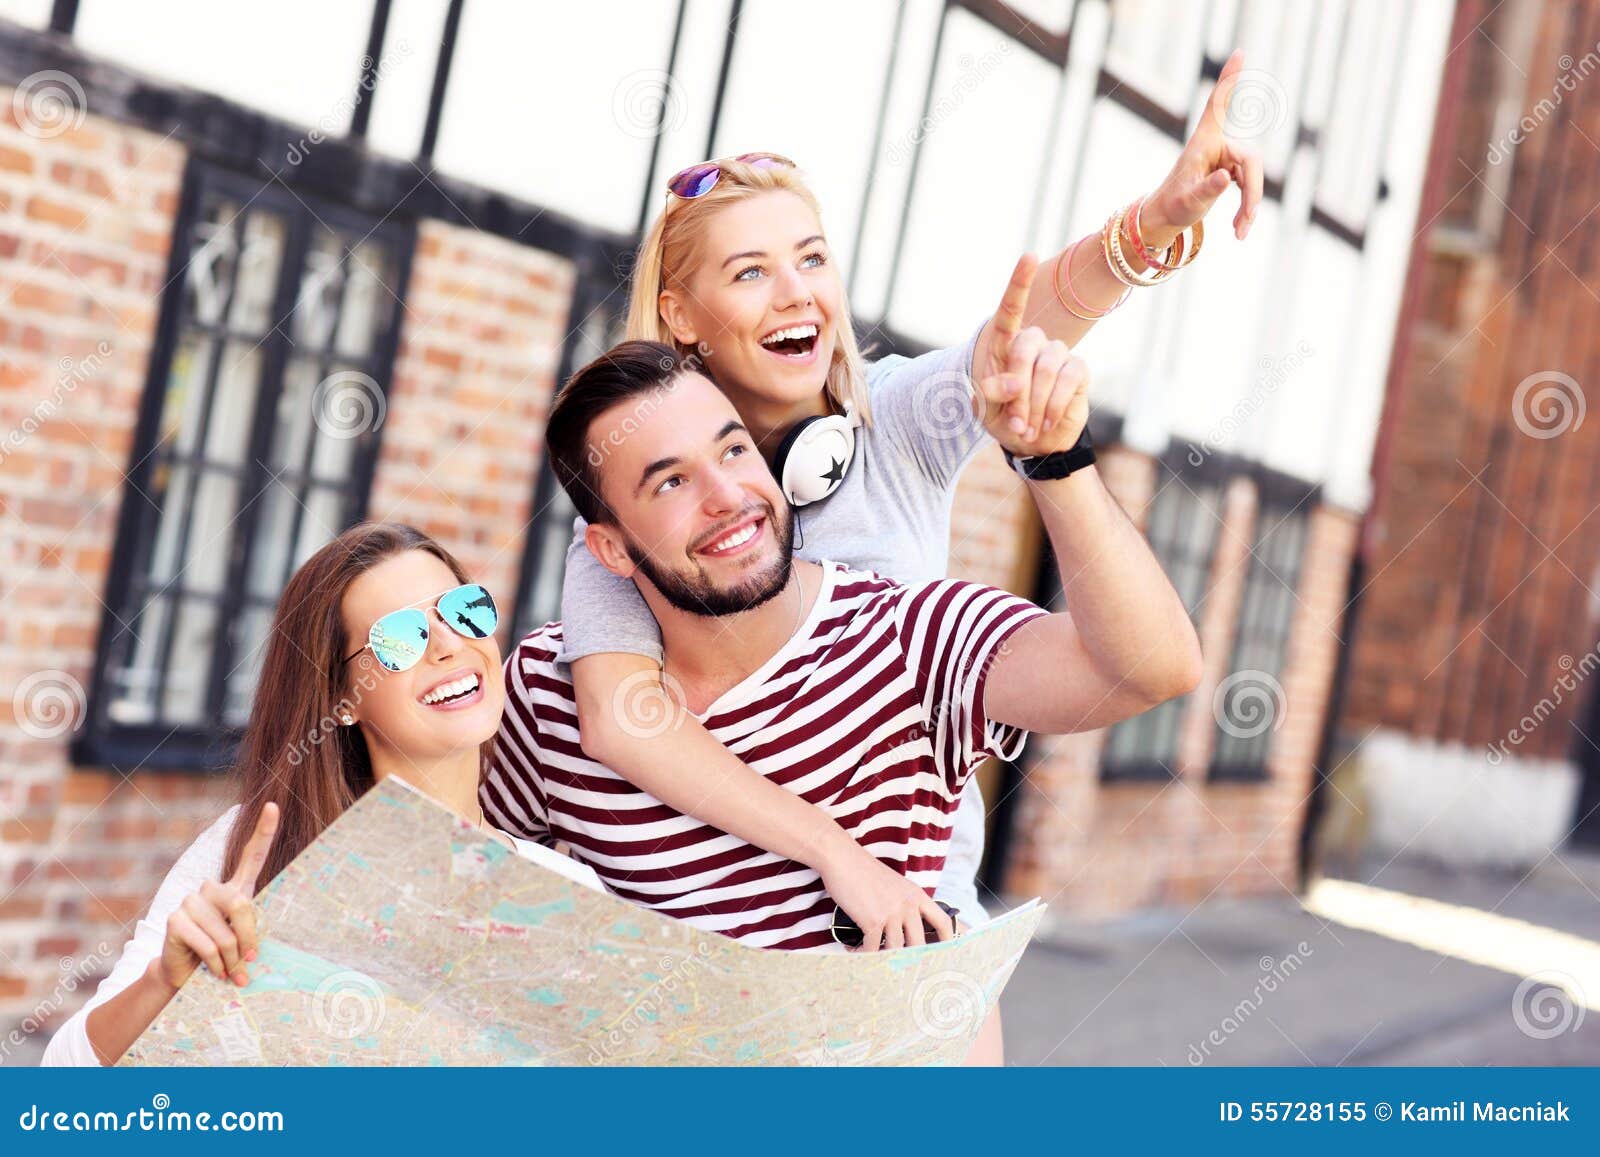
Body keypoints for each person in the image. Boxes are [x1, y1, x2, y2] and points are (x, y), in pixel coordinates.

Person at [557, 51, 1259, 968]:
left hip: (912, 932)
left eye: (811, 258)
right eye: (752, 272)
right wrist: (830, 850)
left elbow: (1026, 330)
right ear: (682, 315)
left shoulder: (889, 421)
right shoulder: (636, 515)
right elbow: (621, 721)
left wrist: (1155, 221)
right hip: (734, 939)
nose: (797, 290)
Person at [483, 333, 1201, 973]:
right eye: (671, 481)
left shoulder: (910, 638)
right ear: (609, 547)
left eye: (734, 450)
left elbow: (1151, 671)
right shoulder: (550, 696)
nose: (727, 494)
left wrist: (1057, 463)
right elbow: (459, 893)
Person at [42, 523, 599, 1066]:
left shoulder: (567, 891)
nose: (450, 646)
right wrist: (163, 983)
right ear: (345, 697)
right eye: (400, 639)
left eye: (464, 610)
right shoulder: (257, 855)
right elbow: (68, 1073)